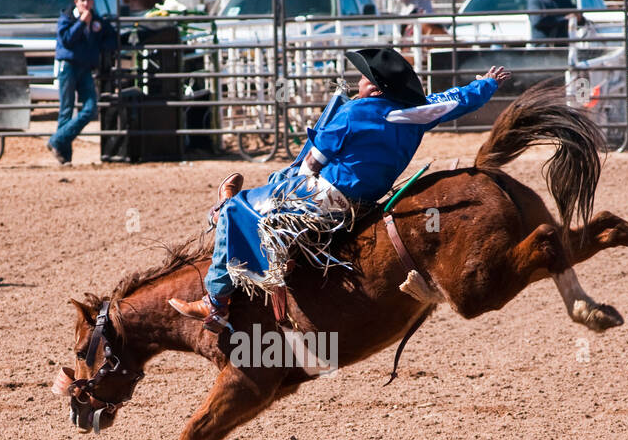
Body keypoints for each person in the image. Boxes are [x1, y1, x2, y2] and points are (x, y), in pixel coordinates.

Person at [168, 47, 510, 326]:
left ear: (374, 89)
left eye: (363, 78)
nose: (358, 82)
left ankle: (216, 300)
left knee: (236, 210)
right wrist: (487, 84)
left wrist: (294, 178)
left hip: (323, 197)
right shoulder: (418, 112)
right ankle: (241, 215)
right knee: (267, 190)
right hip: (364, 197)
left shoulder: (357, 112)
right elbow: (457, 99)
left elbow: (312, 162)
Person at [47, 0, 118, 164]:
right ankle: (64, 155)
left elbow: (111, 38)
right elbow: (67, 40)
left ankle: (57, 140)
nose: (86, 4)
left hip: (85, 67)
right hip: (68, 67)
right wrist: (80, 23)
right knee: (66, 109)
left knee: (90, 108)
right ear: (76, 2)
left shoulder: (97, 21)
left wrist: (100, 46)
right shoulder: (67, 18)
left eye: (88, 0)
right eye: (82, 1)